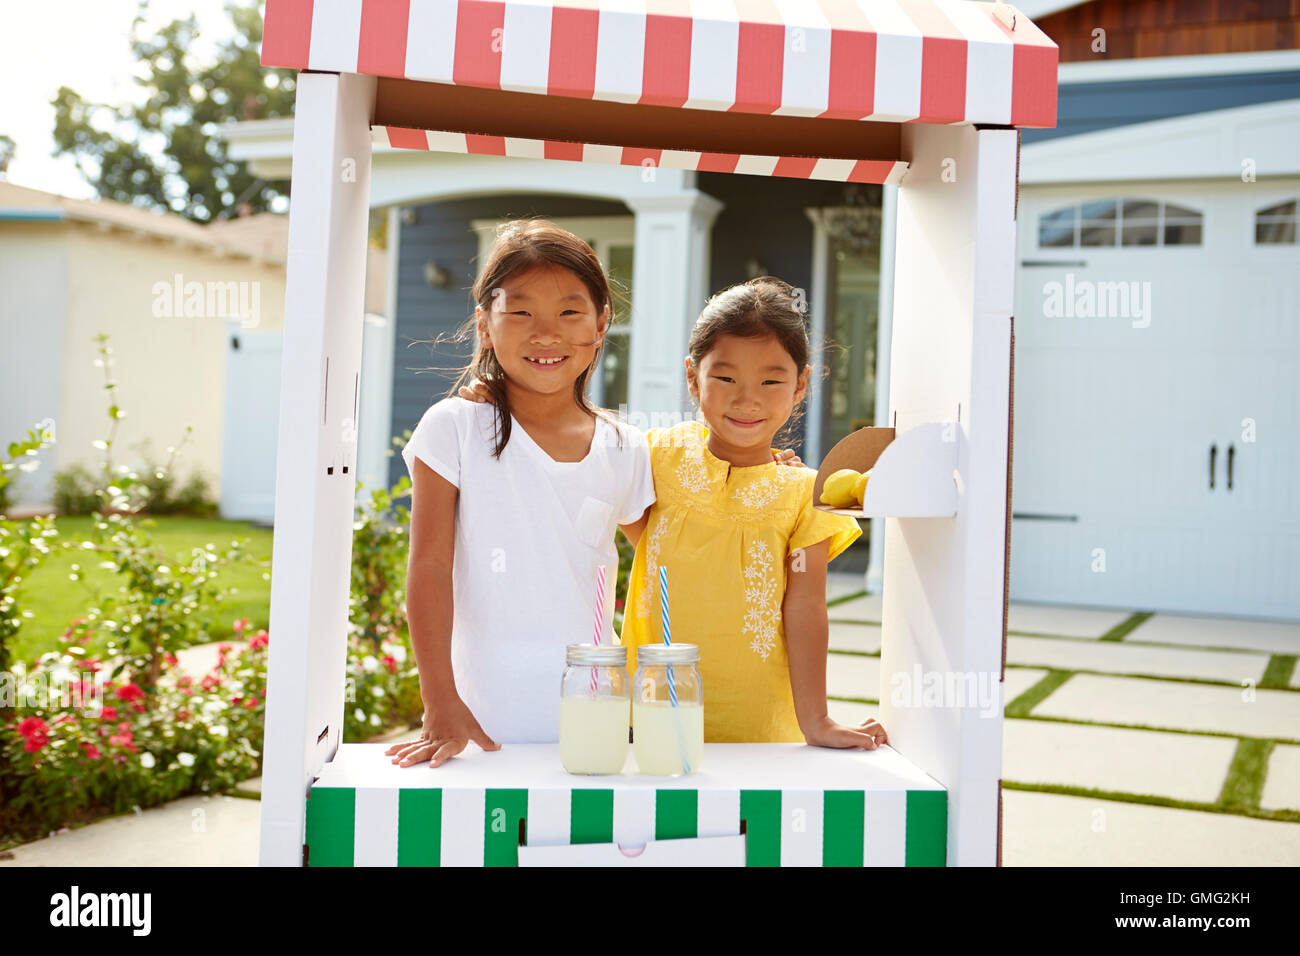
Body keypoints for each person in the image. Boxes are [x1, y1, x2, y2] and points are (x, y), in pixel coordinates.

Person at [384, 219, 656, 768]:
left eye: (570, 312)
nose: (546, 333)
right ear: (485, 325)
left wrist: (753, 463)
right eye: (521, 311)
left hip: (595, 721)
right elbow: (429, 566)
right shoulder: (455, 427)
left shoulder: (626, 446)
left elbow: (670, 549)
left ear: (602, 324)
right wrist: (439, 701)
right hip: (478, 724)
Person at [618, 277, 889, 749]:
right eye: (724, 378)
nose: (747, 399)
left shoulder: (806, 494)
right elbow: (636, 523)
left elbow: (806, 608)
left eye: (771, 380)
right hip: (646, 717)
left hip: (757, 728)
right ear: (691, 376)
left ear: (801, 384)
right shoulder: (656, 455)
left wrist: (817, 721)